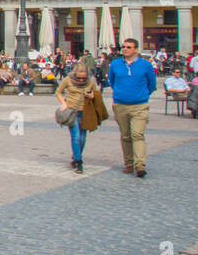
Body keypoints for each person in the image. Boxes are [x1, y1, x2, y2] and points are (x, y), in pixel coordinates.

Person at [104, 38, 156, 178]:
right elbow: (112, 82)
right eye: (124, 46)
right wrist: (121, 94)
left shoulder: (145, 65)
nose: (125, 49)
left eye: (129, 47)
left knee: (137, 134)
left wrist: (142, 95)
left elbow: (152, 84)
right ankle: (128, 162)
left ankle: (140, 164)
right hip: (120, 105)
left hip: (139, 105)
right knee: (126, 136)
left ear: (136, 49)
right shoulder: (115, 64)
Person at [56, 61, 103, 174]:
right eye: (79, 77)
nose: (82, 80)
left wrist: (92, 96)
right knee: (76, 137)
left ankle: (76, 155)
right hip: (72, 111)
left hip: (86, 112)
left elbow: (96, 94)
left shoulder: (90, 81)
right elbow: (58, 92)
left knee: (82, 138)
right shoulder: (68, 79)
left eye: (84, 78)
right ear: (75, 74)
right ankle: (78, 161)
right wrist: (64, 103)